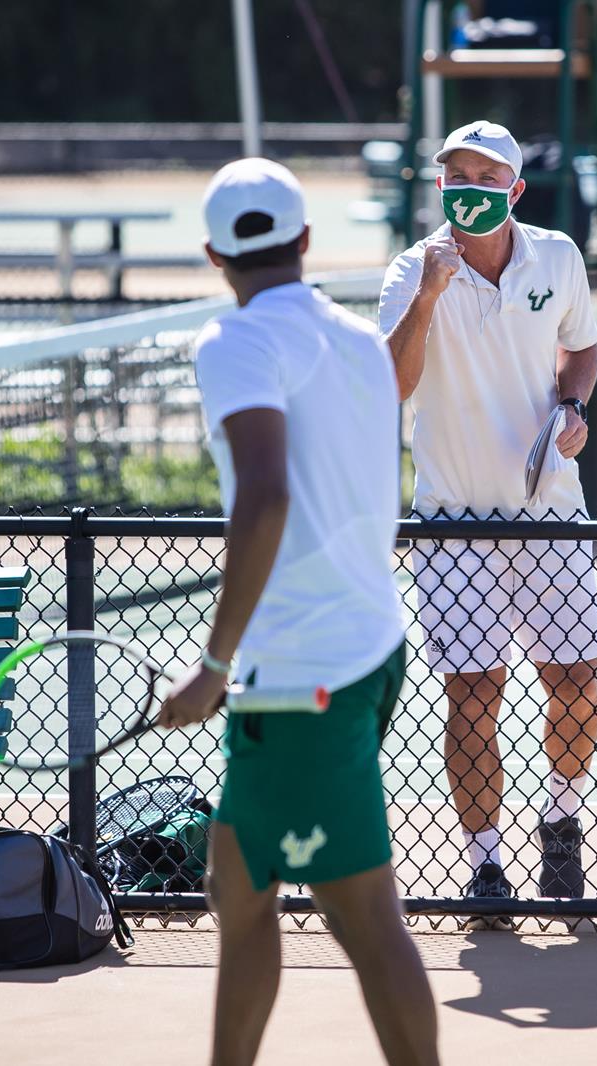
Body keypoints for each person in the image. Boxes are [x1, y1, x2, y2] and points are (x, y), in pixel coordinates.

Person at [158, 157, 438, 1066]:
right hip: (363, 650)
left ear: (213, 255)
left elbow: (267, 494)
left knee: (363, 915)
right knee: (237, 887)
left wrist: (213, 662)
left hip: (301, 678)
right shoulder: (359, 341)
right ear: (306, 242)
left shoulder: (232, 342)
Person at [378, 119, 597, 915]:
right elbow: (393, 385)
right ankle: (484, 866)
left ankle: (562, 822)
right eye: (454, 177)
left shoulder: (559, 256)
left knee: (575, 684)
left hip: (550, 511)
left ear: (515, 190)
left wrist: (573, 403)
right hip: (450, 521)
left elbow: (580, 349)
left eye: (485, 178)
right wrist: (431, 293)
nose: (467, 190)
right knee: (474, 693)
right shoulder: (412, 269)